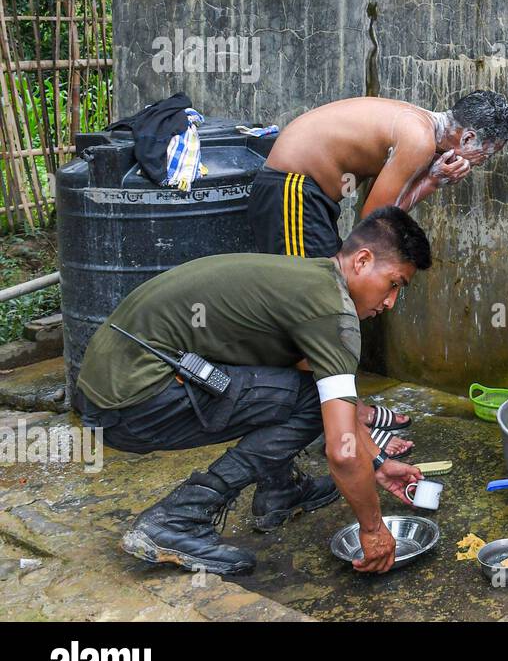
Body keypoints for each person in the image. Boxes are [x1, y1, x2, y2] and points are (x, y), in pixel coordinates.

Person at [75, 207, 433, 575]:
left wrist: (375, 461)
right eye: (394, 284)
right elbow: (341, 452)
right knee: (309, 404)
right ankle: (177, 518)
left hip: (109, 387)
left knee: (309, 395)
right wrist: (373, 529)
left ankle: (279, 491)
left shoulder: (311, 280)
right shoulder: (333, 313)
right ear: (362, 260)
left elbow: (339, 402)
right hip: (132, 399)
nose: (390, 303)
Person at [246, 90, 508, 456]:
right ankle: (340, 430)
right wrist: (433, 181)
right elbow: (373, 229)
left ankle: (345, 411)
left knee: (331, 306)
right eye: (487, 153)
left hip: (310, 195)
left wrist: (431, 179)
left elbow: (381, 217)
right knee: (319, 311)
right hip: (290, 191)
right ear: (467, 137)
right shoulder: (419, 139)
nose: (483, 161)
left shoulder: (421, 127)